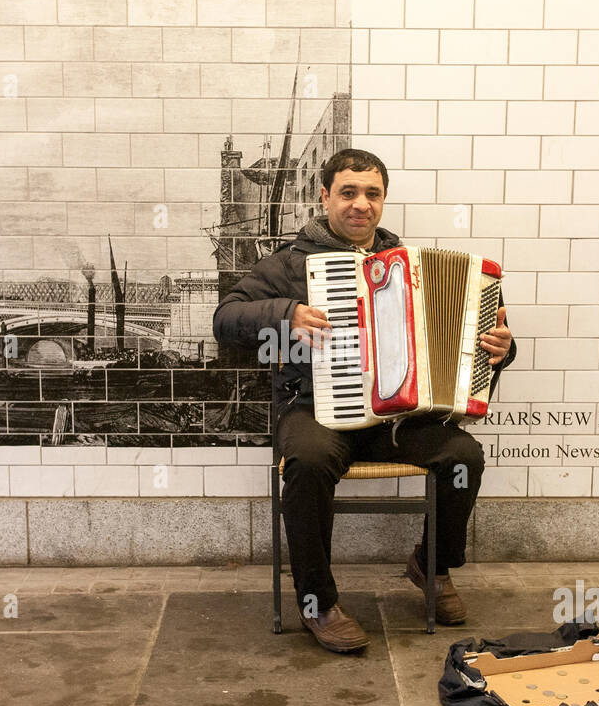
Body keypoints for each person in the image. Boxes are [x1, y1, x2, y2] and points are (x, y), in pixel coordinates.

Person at [213, 149, 516, 653]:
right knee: (307, 463)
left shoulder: (407, 264)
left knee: (463, 455)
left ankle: (431, 566)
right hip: (314, 409)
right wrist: (286, 312)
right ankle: (317, 602)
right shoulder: (289, 264)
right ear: (325, 195)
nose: (360, 204)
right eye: (348, 192)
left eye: (372, 194)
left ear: (383, 200)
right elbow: (226, 320)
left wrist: (502, 348)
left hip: (395, 418)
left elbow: (469, 342)